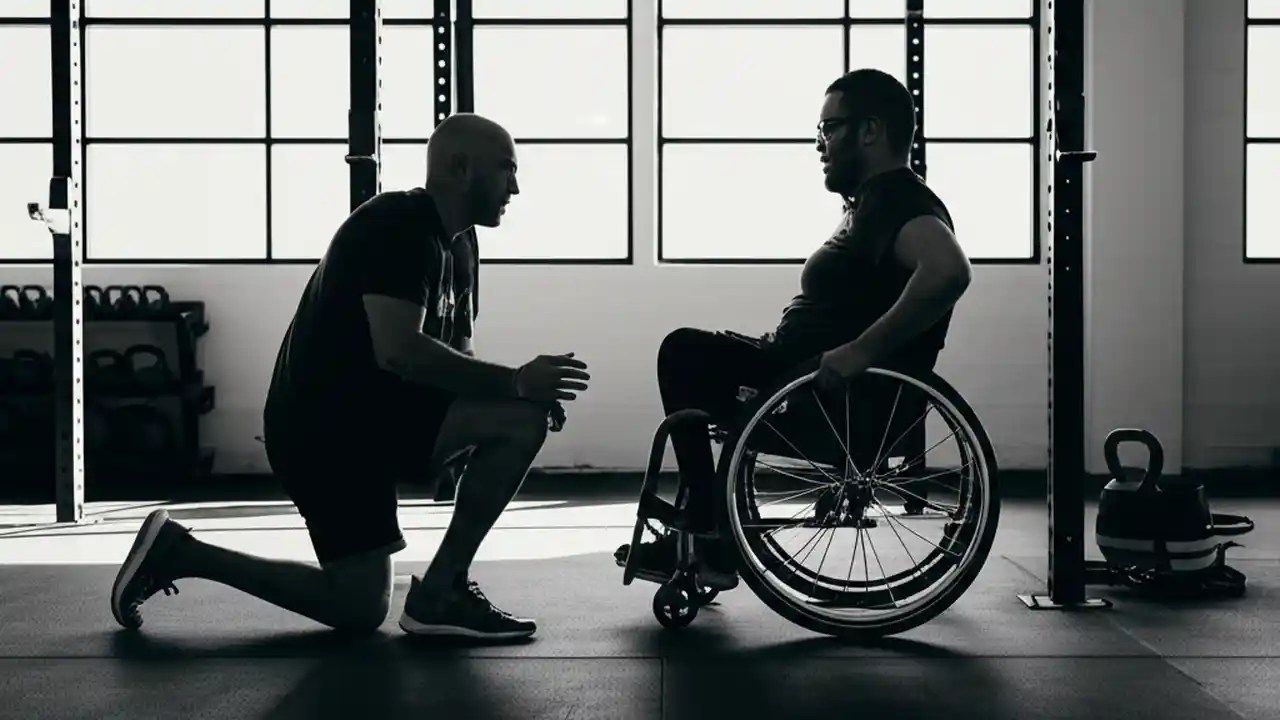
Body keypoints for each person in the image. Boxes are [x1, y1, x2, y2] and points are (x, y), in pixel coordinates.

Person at [109, 113, 590, 641]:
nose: (515, 188)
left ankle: (438, 591)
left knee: (360, 606)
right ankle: (186, 555)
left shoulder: (462, 246)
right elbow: (399, 351)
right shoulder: (397, 225)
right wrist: (516, 384)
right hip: (324, 433)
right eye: (506, 170)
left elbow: (459, 351)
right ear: (460, 167)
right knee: (362, 604)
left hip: (376, 423)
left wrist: (488, 419)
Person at [617, 69, 974, 589]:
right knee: (697, 366)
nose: (820, 145)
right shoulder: (874, 203)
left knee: (684, 354)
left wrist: (858, 352)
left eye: (829, 129)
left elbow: (948, 272)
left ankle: (709, 531)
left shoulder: (897, 200)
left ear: (870, 131)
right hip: (797, 376)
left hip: (823, 394)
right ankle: (707, 527)